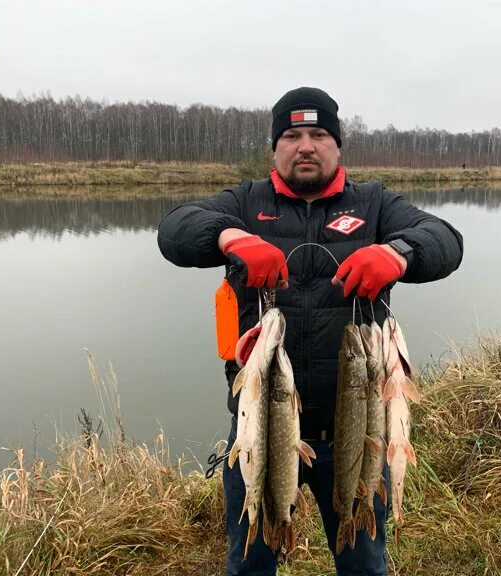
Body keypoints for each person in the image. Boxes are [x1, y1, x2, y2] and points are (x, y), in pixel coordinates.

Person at [157, 87, 463, 576]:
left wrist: (396, 253)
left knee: (363, 565)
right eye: (293, 135)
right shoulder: (244, 201)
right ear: (275, 148)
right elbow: (174, 230)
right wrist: (231, 236)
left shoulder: (375, 204)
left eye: (319, 134)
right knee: (250, 562)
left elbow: (446, 241)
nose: (305, 146)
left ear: (337, 146)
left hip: (354, 431)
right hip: (258, 430)